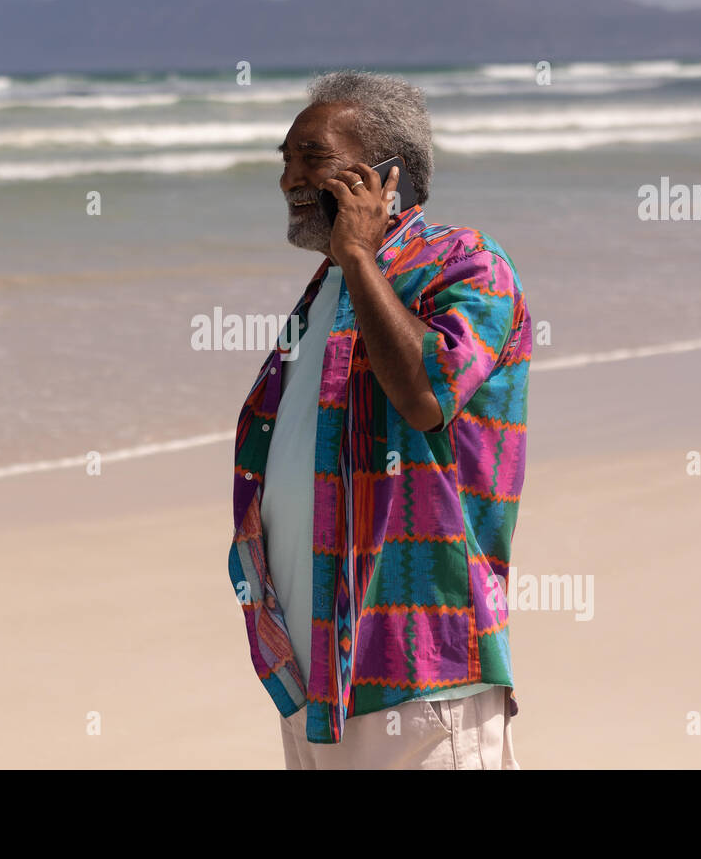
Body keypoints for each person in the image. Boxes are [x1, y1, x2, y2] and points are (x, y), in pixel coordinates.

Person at [227, 69, 531, 769]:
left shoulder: (467, 265)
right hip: (318, 683)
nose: (289, 179)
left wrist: (360, 256)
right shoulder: (326, 292)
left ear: (383, 177)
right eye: (285, 159)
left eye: (312, 157)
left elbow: (425, 393)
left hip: (421, 675)